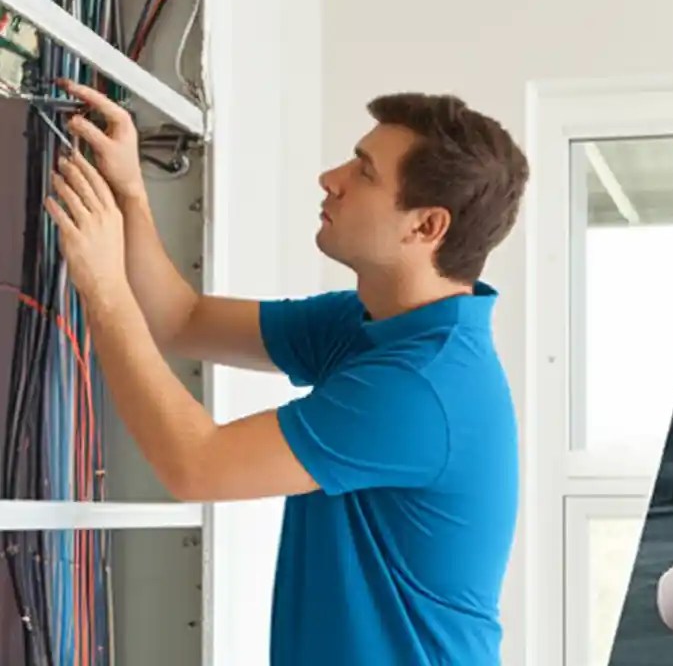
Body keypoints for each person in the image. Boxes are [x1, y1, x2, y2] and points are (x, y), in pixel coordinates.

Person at [41, 79, 526, 666]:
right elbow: (181, 320)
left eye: (365, 172)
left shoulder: (422, 387)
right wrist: (131, 195)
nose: (332, 177)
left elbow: (196, 466)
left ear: (426, 226)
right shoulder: (371, 324)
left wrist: (103, 288)